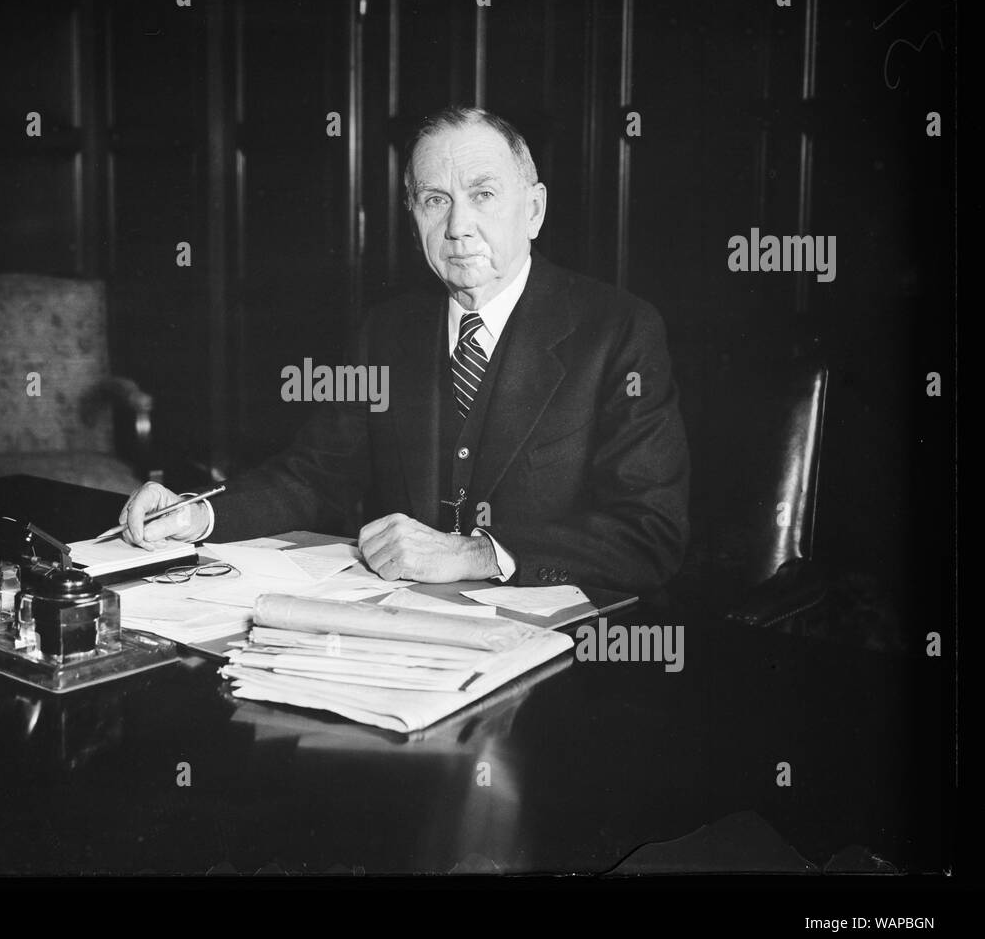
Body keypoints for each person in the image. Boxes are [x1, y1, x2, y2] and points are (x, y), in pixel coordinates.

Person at [117, 107, 689, 593]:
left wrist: (480, 554)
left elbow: (649, 533)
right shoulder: (386, 331)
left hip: (553, 649)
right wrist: (198, 515)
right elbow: (314, 477)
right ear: (413, 216)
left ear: (534, 210)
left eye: (484, 194)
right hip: (399, 635)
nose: (459, 225)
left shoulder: (618, 330)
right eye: (435, 200)